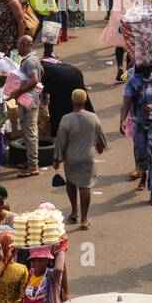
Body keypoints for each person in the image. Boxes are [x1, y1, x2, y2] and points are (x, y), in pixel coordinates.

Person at [53, 88, 107, 228]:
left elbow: (60, 141)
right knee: (85, 187)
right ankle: (84, 219)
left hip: (71, 158)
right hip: (87, 158)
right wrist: (100, 146)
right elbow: (100, 134)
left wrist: (57, 159)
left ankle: (74, 212)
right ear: (85, 101)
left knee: (71, 182)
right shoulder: (92, 117)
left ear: (72, 101)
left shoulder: (66, 119)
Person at [120, 61, 152, 205]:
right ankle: (143, 174)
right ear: (140, 67)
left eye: (150, 67)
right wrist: (122, 120)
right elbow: (126, 102)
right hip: (139, 125)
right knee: (141, 155)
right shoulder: (133, 82)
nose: (148, 70)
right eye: (145, 67)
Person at [13, 35, 42, 177]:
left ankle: (33, 166)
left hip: (28, 101)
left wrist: (17, 91)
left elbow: (34, 80)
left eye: (19, 44)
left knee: (30, 133)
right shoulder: (35, 58)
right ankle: (30, 161)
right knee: (27, 130)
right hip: (31, 100)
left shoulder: (29, 61)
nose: (18, 47)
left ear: (25, 45)